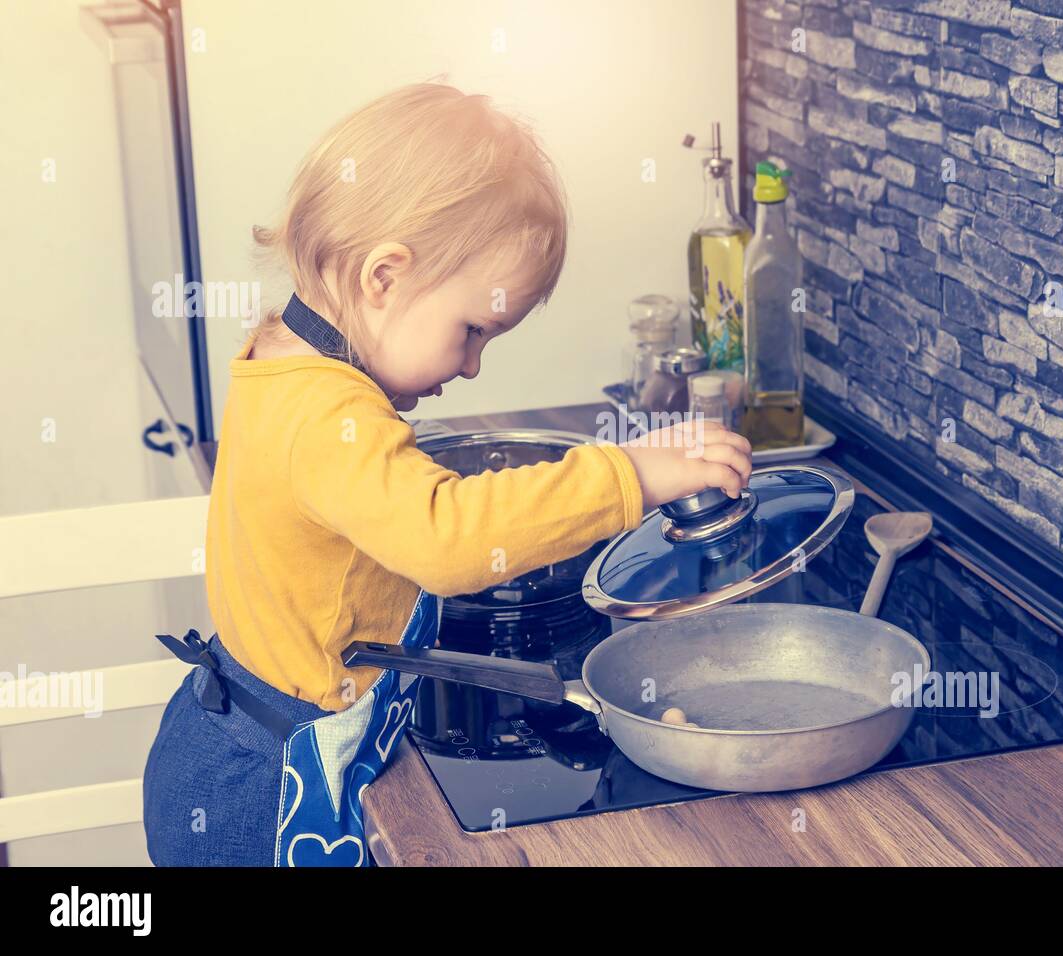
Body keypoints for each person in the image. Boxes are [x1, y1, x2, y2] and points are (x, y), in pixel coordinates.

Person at [142, 83, 751, 866]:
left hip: (237, 737)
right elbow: (446, 539)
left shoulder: (285, 363)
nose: (470, 366)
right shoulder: (330, 413)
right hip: (259, 792)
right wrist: (626, 472)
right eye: (474, 331)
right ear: (384, 277)